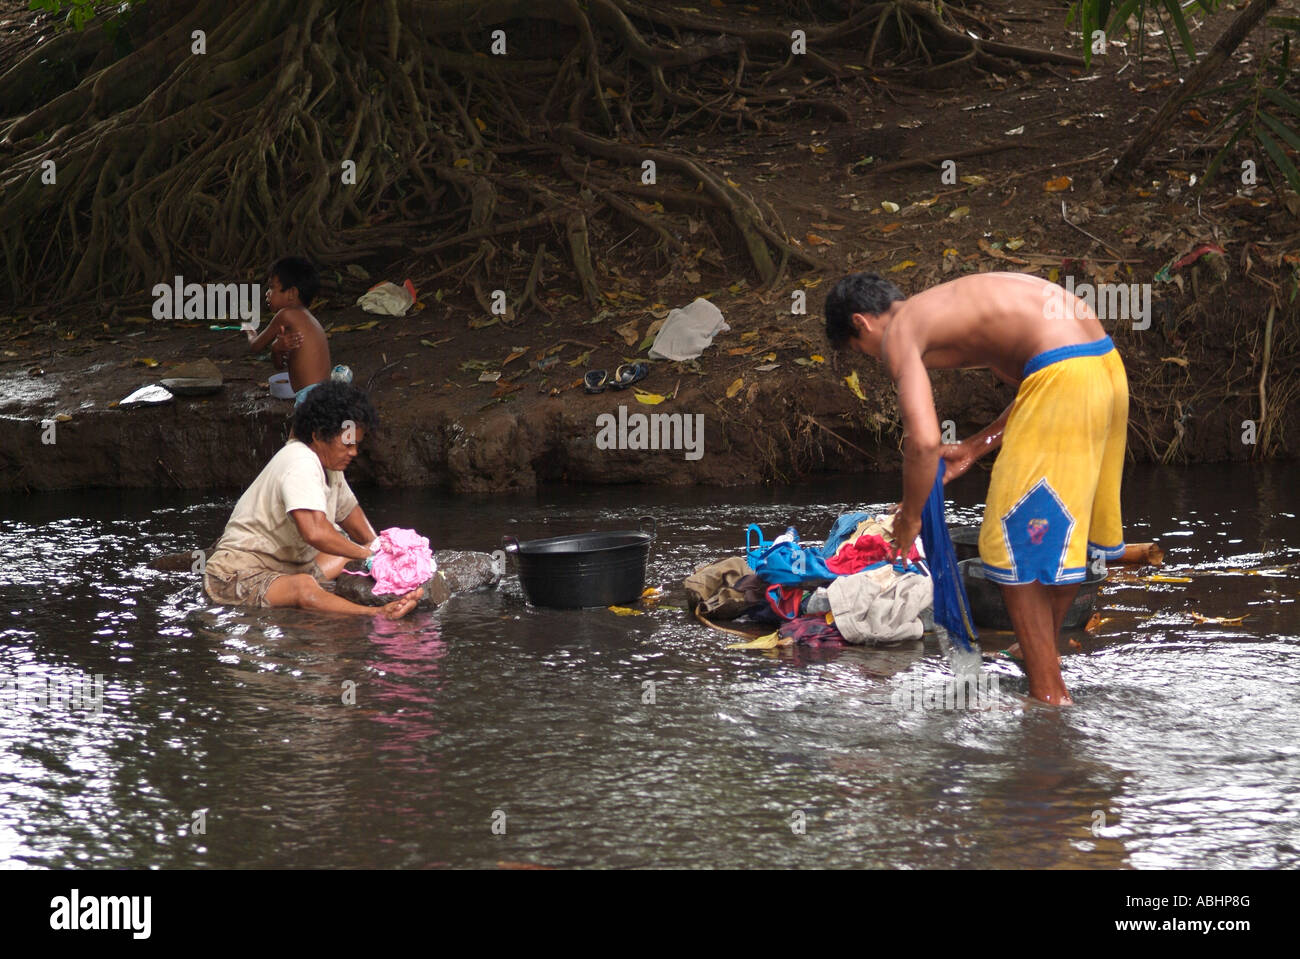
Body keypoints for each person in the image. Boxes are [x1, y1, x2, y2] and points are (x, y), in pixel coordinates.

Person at [824, 271, 1128, 705]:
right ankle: (1037, 651)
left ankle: (1048, 694)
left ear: (862, 323)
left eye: (861, 351)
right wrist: (976, 444)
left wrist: (909, 518)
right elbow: (1042, 373)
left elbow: (925, 442)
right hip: (1104, 369)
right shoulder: (948, 307)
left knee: (1008, 540)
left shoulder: (901, 330)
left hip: (1067, 377)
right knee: (1064, 537)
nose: (875, 358)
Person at [202, 381, 423, 619]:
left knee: (354, 547)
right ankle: (379, 614)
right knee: (305, 586)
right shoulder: (300, 461)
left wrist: (384, 555)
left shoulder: (329, 465)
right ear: (318, 436)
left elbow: (352, 517)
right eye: (348, 444)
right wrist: (367, 555)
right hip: (235, 575)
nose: (354, 453)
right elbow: (315, 533)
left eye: (356, 445)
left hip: (287, 568)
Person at [247, 256, 331, 405]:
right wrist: (276, 349)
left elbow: (255, 346)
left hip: (310, 399)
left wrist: (250, 332)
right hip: (322, 394)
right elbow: (280, 365)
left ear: (292, 293)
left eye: (272, 287)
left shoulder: (286, 315)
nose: (267, 293)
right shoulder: (303, 318)